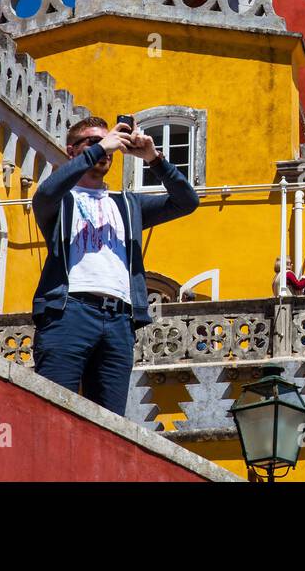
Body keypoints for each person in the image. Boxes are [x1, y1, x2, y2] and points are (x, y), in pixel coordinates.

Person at [31, 116, 199, 415]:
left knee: (110, 425)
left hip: (120, 319)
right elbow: (44, 193)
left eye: (108, 142)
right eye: (92, 142)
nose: (104, 148)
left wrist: (153, 158)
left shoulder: (126, 204)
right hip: (69, 312)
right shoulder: (61, 201)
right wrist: (101, 147)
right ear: (72, 151)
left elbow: (187, 201)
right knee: (50, 411)